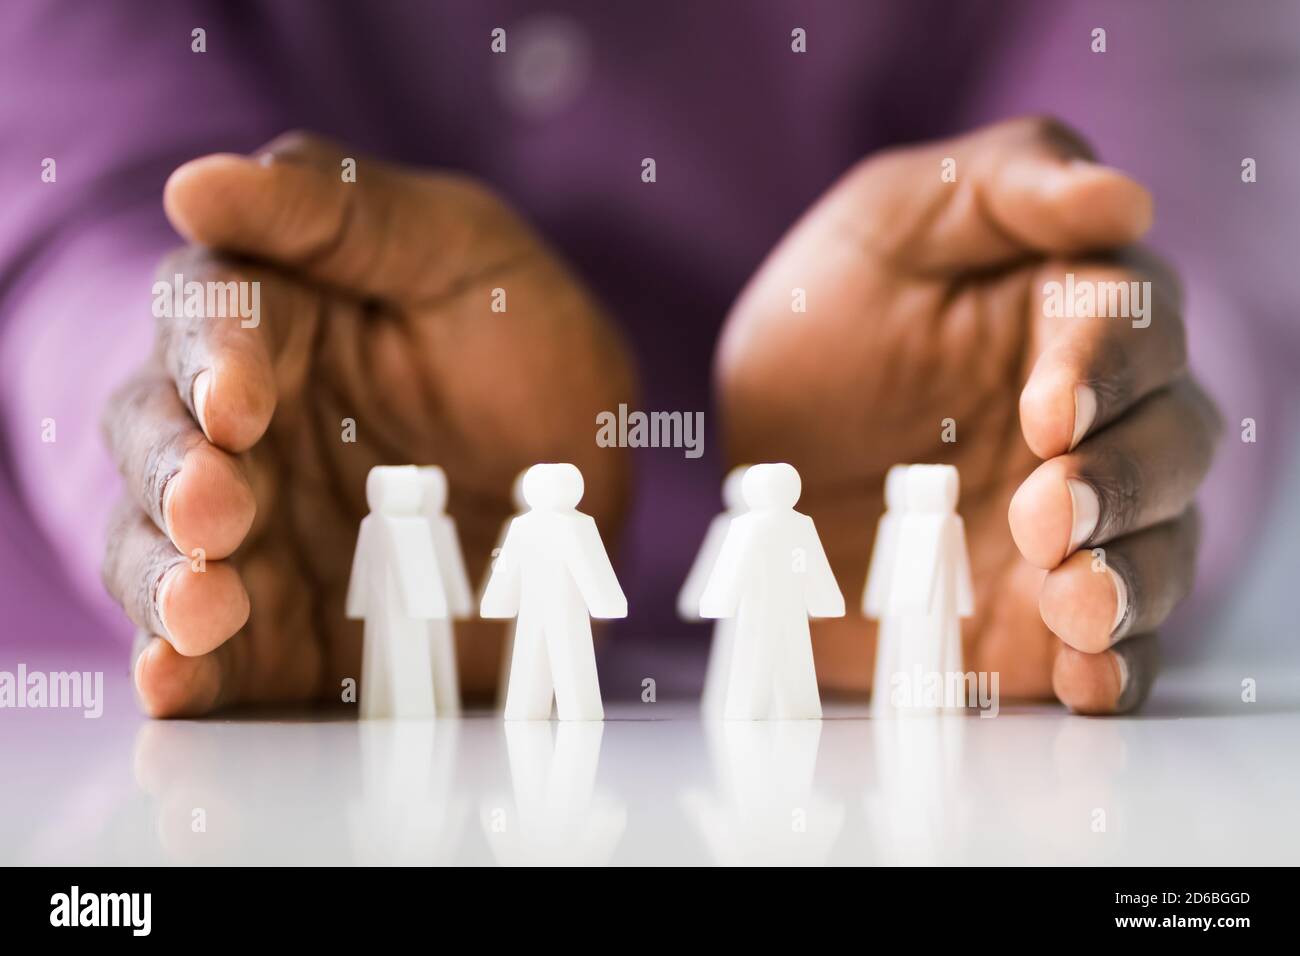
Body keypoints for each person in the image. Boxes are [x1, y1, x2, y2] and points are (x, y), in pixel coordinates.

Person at [1, 2, 1294, 718]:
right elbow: (80, 180)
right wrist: (198, 407)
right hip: (184, 703)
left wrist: (1083, 393)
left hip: (886, 690)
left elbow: (1167, 169)